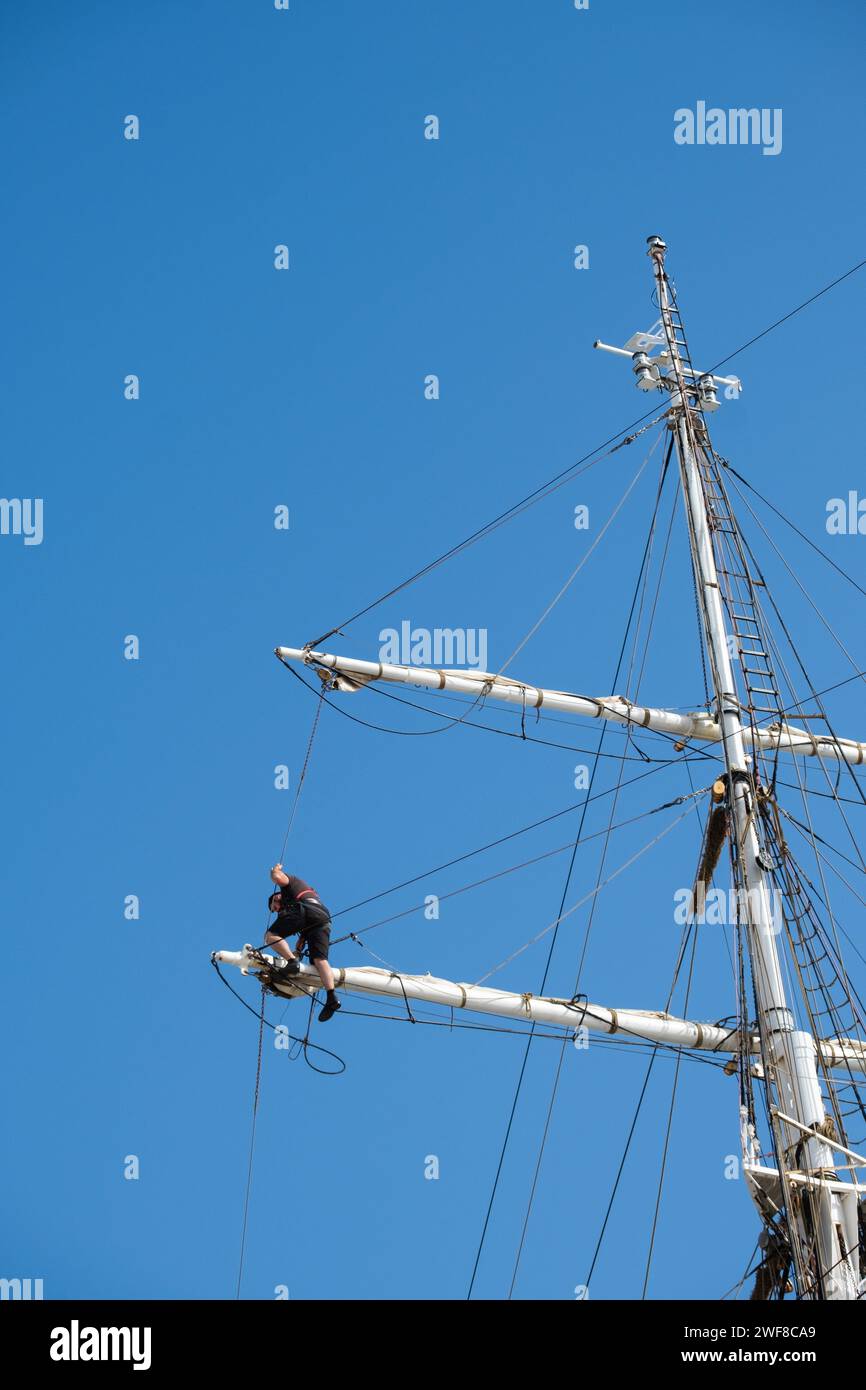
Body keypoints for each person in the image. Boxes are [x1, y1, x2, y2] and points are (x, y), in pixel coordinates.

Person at [266, 864, 342, 1022]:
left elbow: (277, 878)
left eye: (275, 906)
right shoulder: (306, 893)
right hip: (323, 918)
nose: (278, 910)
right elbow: (301, 941)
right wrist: (299, 948)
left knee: (270, 936)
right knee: (319, 960)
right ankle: (331, 997)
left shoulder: (289, 885)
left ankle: (292, 962)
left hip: (304, 910)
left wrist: (275, 871)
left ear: (276, 896)